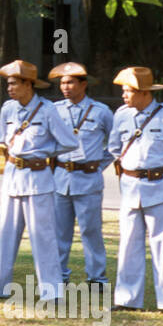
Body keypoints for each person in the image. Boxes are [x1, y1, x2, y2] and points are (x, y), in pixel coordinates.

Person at [0, 60, 78, 302]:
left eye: (14, 83)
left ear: (28, 84)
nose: (10, 88)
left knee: (43, 236)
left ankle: (52, 291)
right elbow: (5, 139)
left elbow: (69, 141)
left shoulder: (47, 110)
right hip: (13, 175)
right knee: (6, 234)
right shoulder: (8, 109)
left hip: (38, 179)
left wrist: (44, 152)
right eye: (8, 83)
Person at [107, 67, 163, 316]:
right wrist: (129, 169)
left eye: (128, 91)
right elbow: (114, 147)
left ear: (144, 93)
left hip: (159, 186)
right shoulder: (122, 115)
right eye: (123, 91)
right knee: (128, 244)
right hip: (131, 186)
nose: (124, 96)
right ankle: (127, 298)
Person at [47, 62, 114, 291]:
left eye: (70, 82)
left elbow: (115, 144)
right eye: (62, 83)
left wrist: (97, 165)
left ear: (83, 85)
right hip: (61, 176)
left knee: (91, 230)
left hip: (88, 179)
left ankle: (96, 278)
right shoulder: (54, 109)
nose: (65, 87)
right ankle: (58, 275)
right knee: (59, 230)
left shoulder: (100, 111)